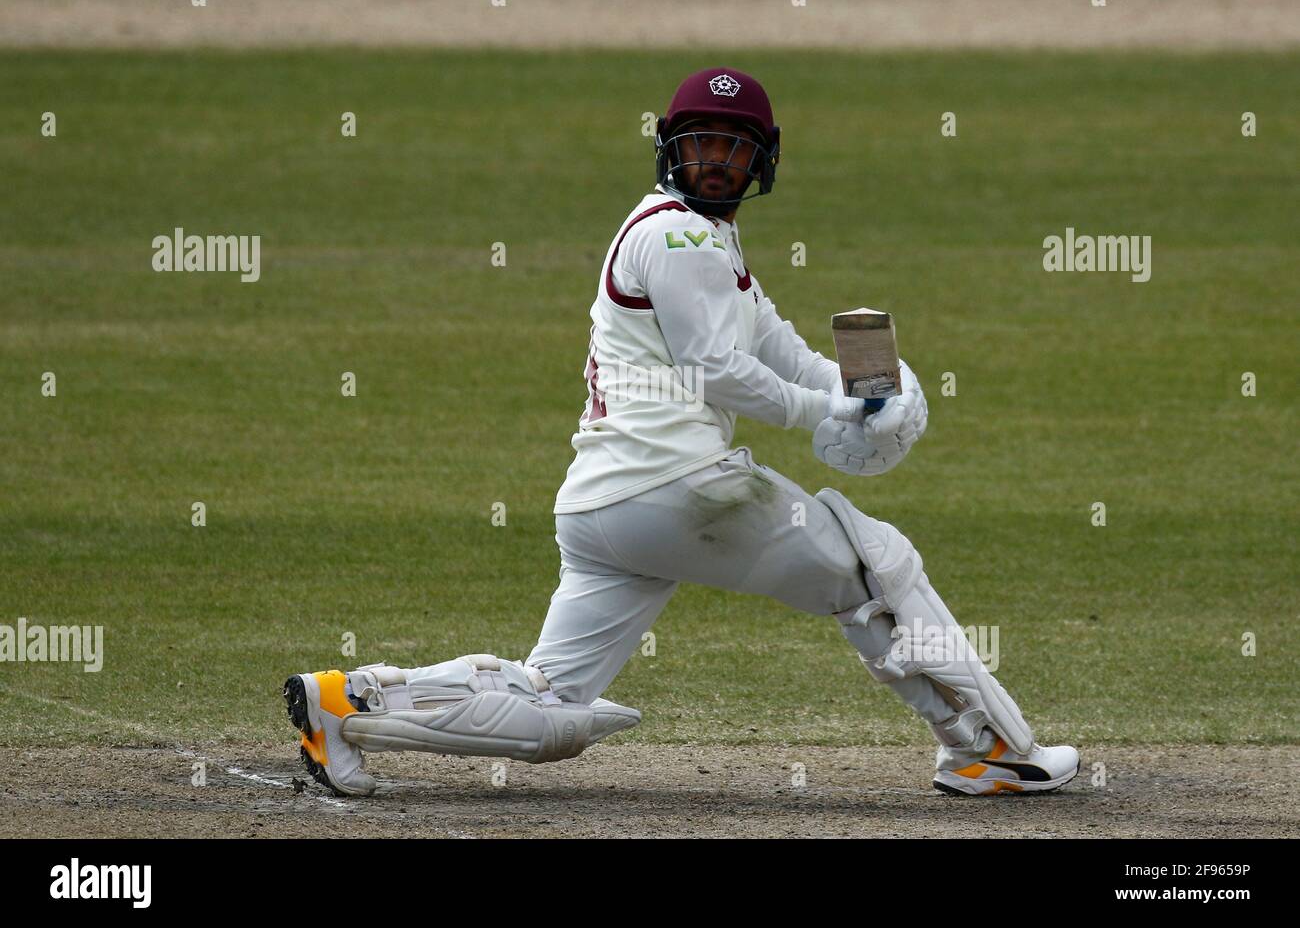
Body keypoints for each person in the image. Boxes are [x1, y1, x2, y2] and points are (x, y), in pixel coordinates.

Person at [283, 67, 1079, 798]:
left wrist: (866, 388)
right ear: (670, 146)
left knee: (551, 704)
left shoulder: (709, 241)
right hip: (684, 487)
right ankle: (987, 750)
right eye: (700, 142)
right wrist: (823, 414)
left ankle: (345, 702)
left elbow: (782, 350)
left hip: (607, 512)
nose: (715, 161)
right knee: (877, 569)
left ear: (760, 161)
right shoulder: (679, 236)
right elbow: (714, 368)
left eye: (733, 147)